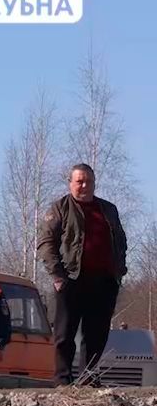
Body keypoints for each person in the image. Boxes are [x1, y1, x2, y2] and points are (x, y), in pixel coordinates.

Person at [37, 163, 128, 386]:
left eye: (88, 181)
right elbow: (46, 243)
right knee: (64, 334)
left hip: (104, 281)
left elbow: (121, 241)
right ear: (71, 183)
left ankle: (88, 379)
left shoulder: (109, 209)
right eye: (79, 181)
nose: (84, 185)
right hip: (71, 279)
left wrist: (119, 271)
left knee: (96, 334)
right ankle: (62, 380)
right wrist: (57, 276)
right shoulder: (60, 208)